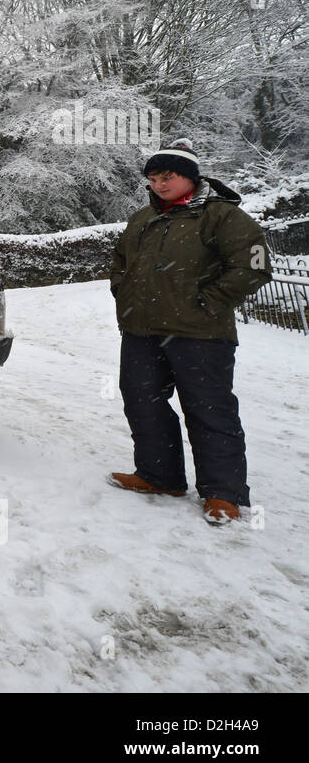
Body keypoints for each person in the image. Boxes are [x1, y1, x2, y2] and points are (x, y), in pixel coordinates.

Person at [107, 137, 272, 524]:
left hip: (200, 334)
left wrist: (207, 302)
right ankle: (159, 475)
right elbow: (119, 261)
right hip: (141, 330)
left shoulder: (222, 216)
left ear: (190, 177)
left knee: (208, 410)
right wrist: (122, 291)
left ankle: (223, 494)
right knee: (142, 402)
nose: (159, 184)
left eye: (167, 176)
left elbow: (253, 266)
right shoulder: (142, 219)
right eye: (152, 177)